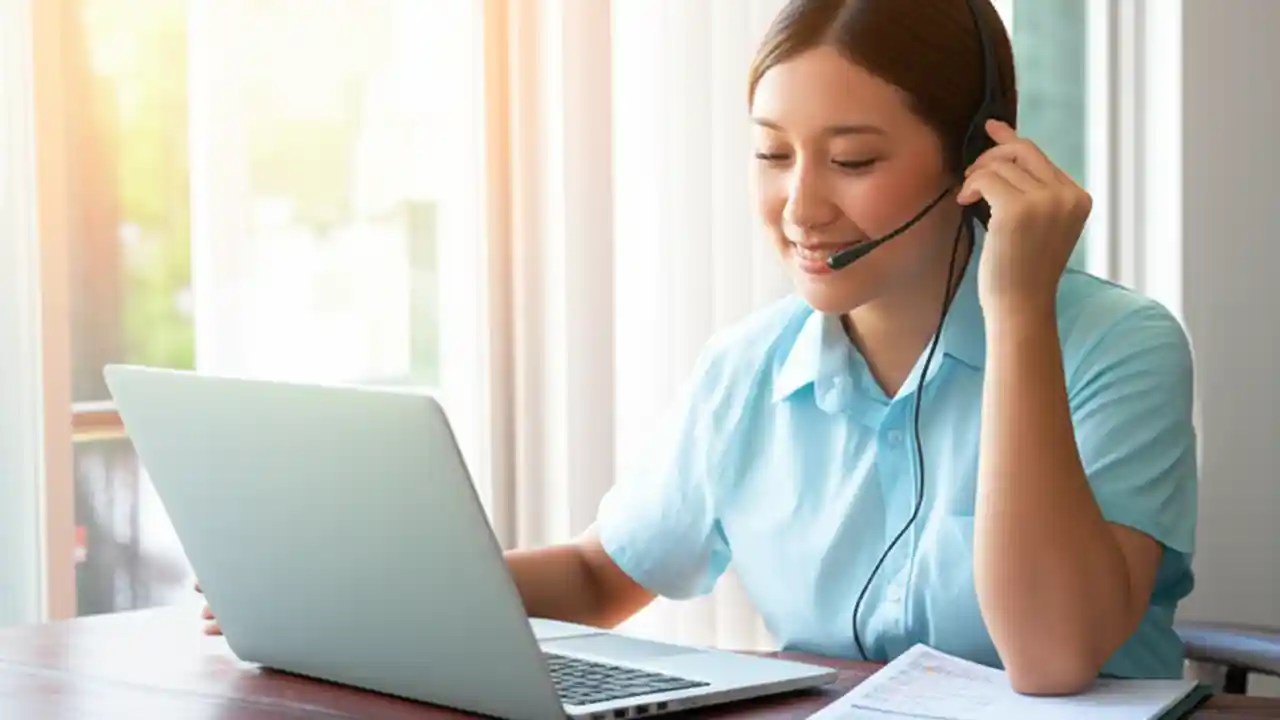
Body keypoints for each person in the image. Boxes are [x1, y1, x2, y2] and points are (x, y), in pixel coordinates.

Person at [201, 0, 1197, 696]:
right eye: (771, 154)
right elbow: (601, 577)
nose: (799, 206)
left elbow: (1051, 659)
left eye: (852, 159)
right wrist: (366, 589)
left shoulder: (1116, 348)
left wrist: (1017, 312)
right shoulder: (749, 367)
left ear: (975, 159)